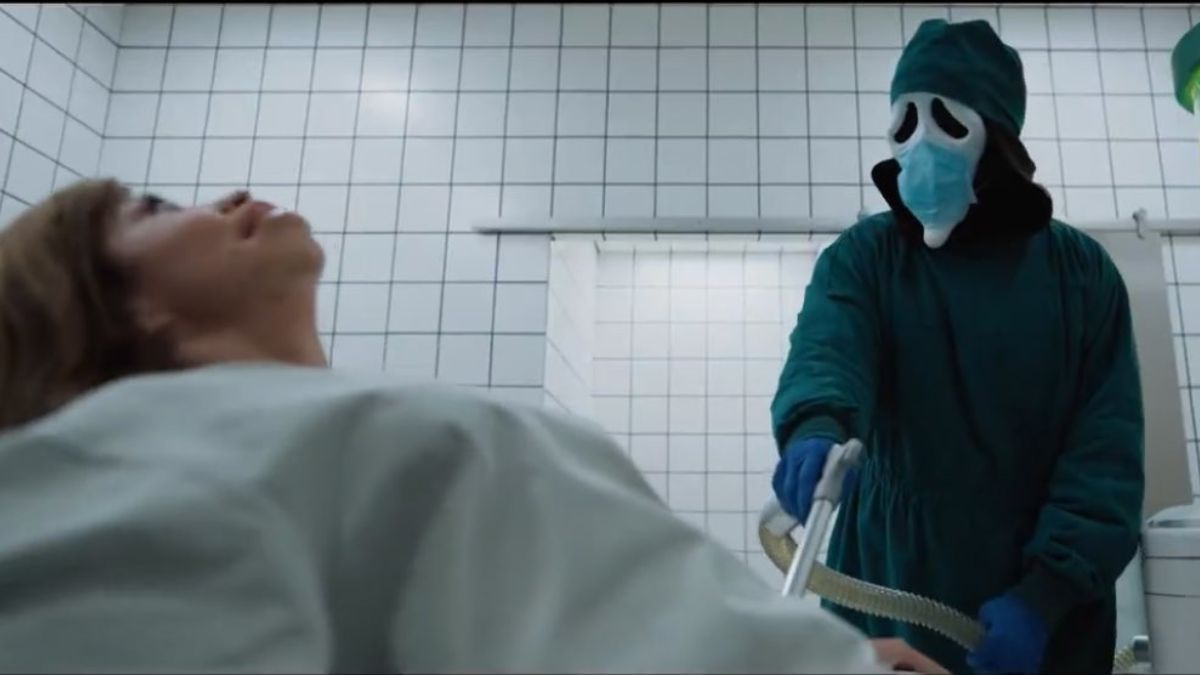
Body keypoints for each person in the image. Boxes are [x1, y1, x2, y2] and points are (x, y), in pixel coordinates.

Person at [0, 179, 946, 674]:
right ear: (107, 308)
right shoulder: (130, 467)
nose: (231, 195)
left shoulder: (324, 453)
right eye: (156, 210)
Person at [771, 19, 1144, 675]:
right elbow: (829, 345)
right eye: (904, 124)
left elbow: (1104, 454)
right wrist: (815, 423)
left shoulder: (1080, 277)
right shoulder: (868, 258)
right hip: (891, 582)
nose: (920, 144)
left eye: (945, 121)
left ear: (998, 136)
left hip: (1045, 616)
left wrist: (1045, 597)